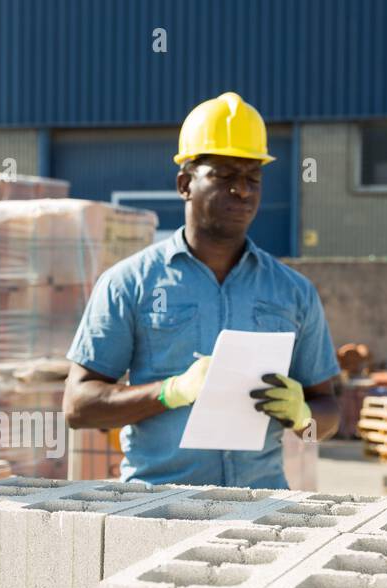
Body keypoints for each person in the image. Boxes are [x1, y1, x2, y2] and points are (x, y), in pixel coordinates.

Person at [63, 92, 340, 488]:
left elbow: (327, 412)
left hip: (261, 506)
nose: (242, 191)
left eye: (252, 178)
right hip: (158, 506)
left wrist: (304, 417)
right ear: (184, 184)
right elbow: (78, 407)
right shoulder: (130, 283)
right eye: (224, 176)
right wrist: (169, 392)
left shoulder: (293, 292)